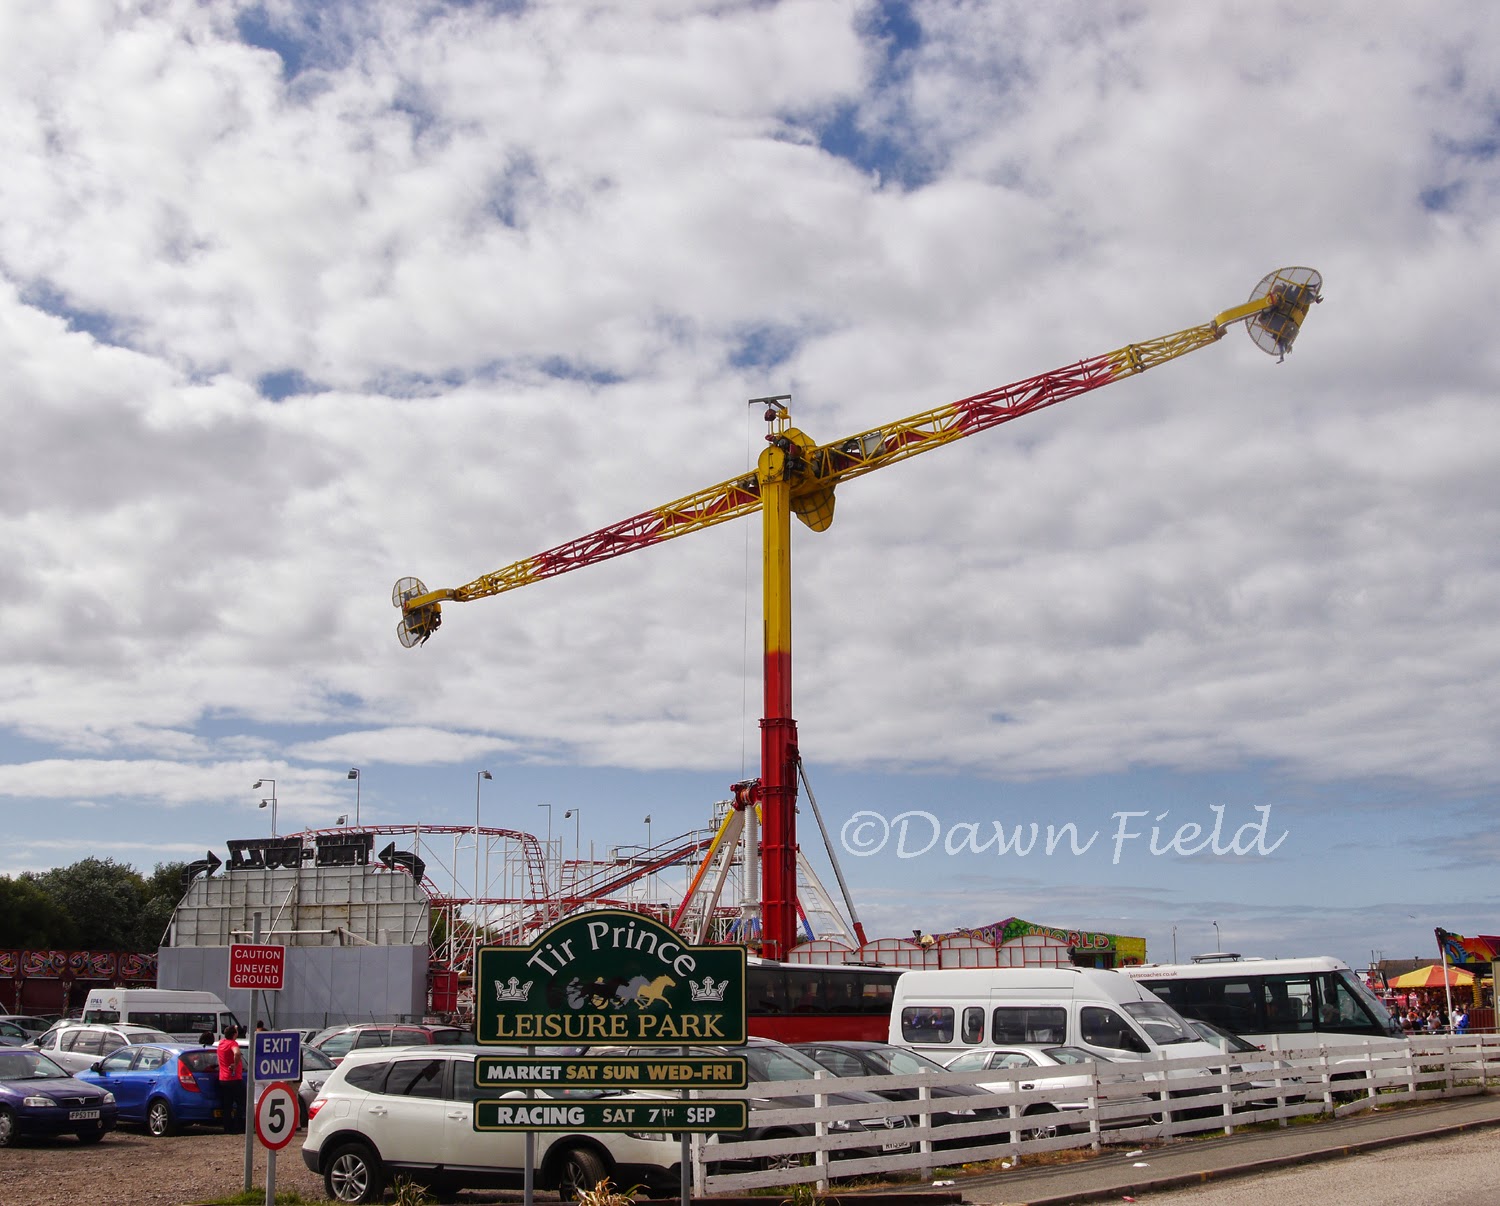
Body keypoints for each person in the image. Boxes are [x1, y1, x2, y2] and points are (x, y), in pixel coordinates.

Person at [217, 1024, 244, 1133]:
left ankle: (227, 1128)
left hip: (223, 1079)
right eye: (236, 1031)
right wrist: (235, 1064)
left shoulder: (221, 1043)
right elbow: (237, 1053)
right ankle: (238, 1127)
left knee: (227, 1105)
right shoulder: (232, 1043)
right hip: (234, 1078)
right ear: (234, 1034)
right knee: (241, 1103)